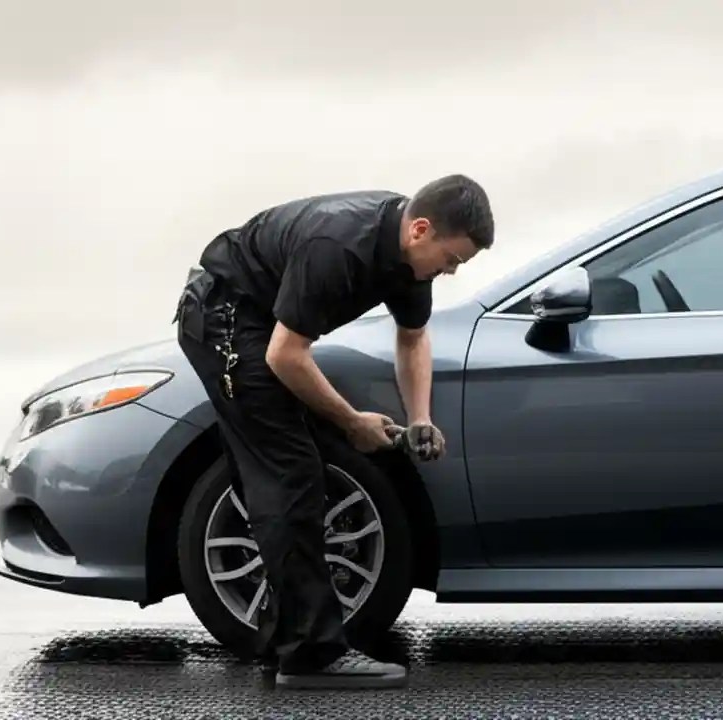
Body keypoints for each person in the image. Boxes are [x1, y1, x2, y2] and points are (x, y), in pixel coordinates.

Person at [172, 175, 494, 690]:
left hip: (261, 323)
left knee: (279, 473)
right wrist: (352, 422)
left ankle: (283, 635)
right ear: (421, 229)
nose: (451, 271)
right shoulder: (338, 246)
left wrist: (420, 418)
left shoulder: (411, 258)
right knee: (292, 475)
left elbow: (412, 339)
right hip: (226, 318)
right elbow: (284, 354)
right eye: (452, 259)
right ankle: (311, 655)